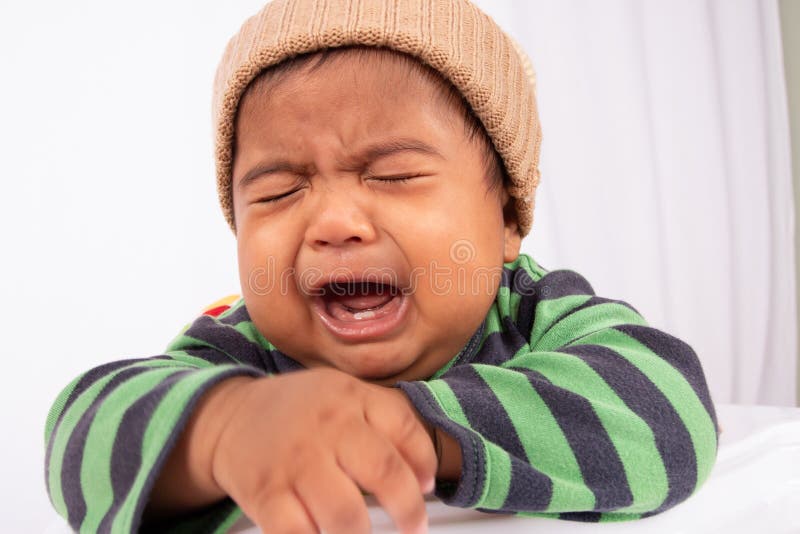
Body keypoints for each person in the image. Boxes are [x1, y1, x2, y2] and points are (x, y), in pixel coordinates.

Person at [43, 1, 719, 533]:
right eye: (278, 193)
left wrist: (396, 429)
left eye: (393, 175)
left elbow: (673, 413)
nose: (335, 223)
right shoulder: (244, 349)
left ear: (508, 219)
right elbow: (77, 437)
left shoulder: (535, 311)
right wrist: (225, 428)